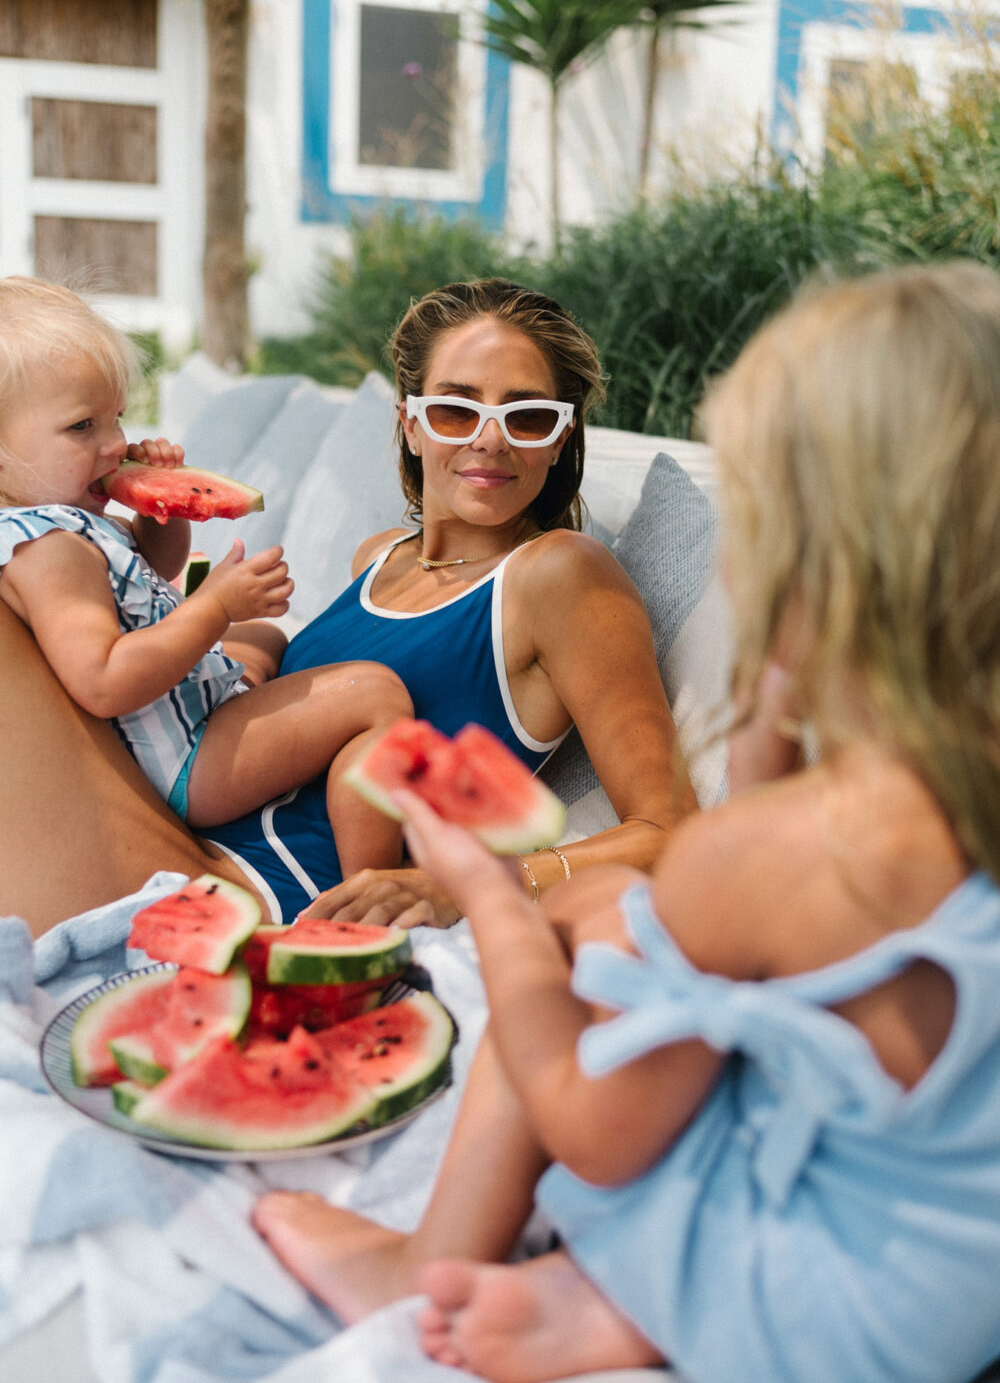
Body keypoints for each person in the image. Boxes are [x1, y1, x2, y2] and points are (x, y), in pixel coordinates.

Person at [253, 262, 1000, 1383]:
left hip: (808, 1323)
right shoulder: (916, 824)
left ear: (814, 569)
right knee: (629, 928)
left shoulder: (772, 857)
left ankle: (453, 1269)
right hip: (951, 1293)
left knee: (561, 966)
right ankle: (599, 1299)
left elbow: (600, 1126)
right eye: (455, 409)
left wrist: (497, 902)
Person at [202, 277, 692, 925]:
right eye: (457, 411)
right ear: (411, 424)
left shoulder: (561, 576)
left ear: (560, 440)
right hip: (189, 837)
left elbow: (670, 830)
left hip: (276, 900)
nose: (490, 440)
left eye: (528, 417)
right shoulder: (376, 558)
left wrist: (466, 887)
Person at [0, 276, 414, 880]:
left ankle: (289, 732)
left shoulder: (66, 522)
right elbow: (106, 681)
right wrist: (215, 606)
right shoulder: (52, 548)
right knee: (377, 691)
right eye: (82, 427)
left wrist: (157, 511)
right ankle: (367, 893)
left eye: (117, 417)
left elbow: (153, 569)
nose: (117, 444)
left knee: (266, 639)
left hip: (191, 716)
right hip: (187, 761)